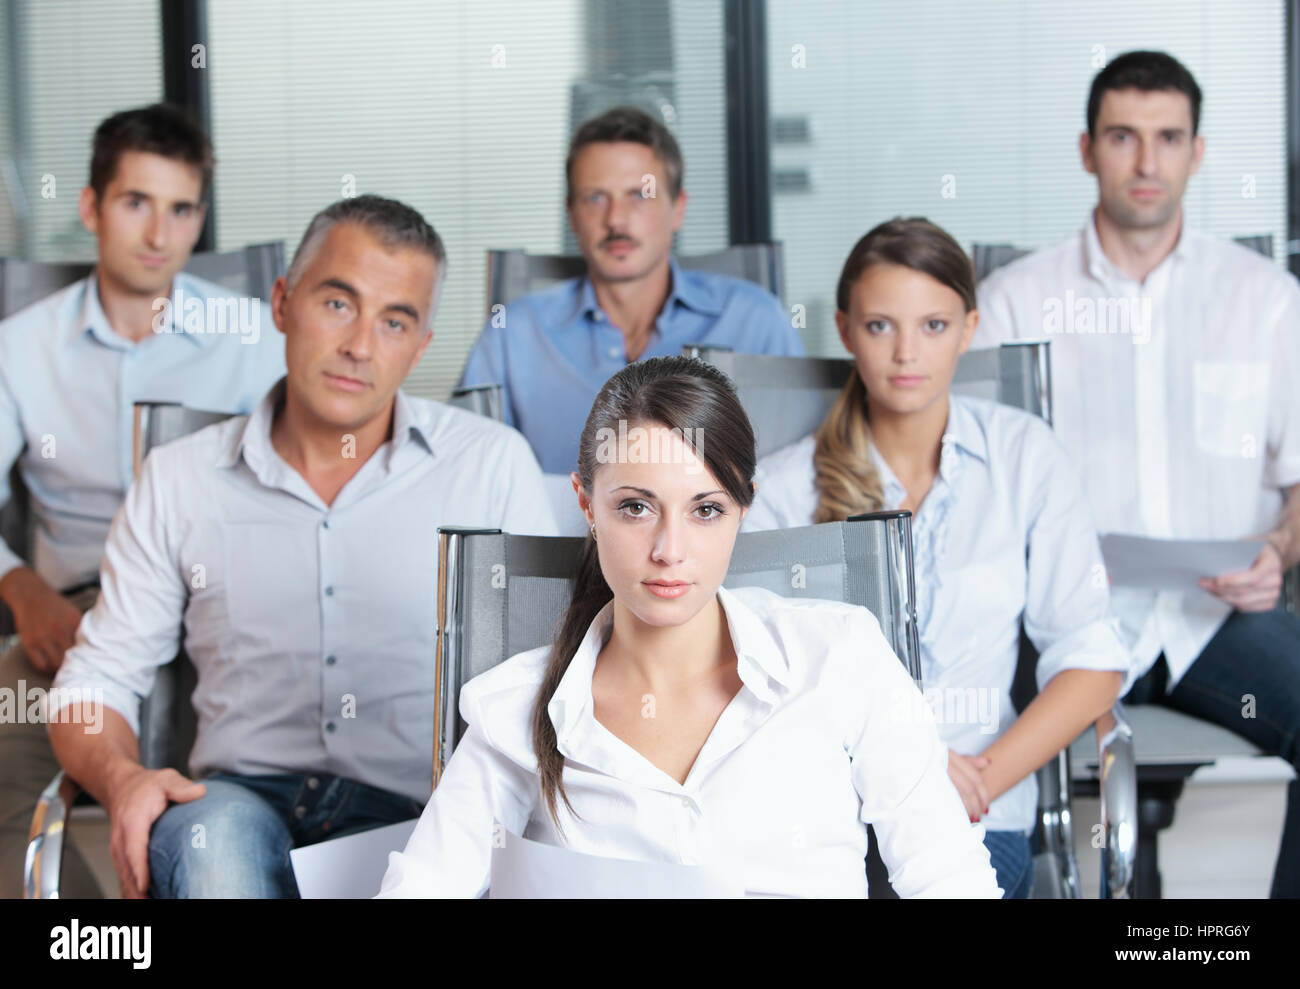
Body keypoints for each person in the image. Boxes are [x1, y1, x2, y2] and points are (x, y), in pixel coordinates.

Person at [47, 194, 557, 899]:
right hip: (235, 803)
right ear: (283, 303)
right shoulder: (178, 477)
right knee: (215, 849)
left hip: (422, 811)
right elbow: (95, 680)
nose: (360, 346)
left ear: (421, 346)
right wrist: (122, 778)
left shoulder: (493, 465)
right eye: (338, 304)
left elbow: (551, 680)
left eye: (395, 321)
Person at [378, 355, 1001, 898]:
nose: (669, 550)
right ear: (586, 502)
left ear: (744, 506)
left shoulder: (839, 655)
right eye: (635, 507)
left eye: (705, 510)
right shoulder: (516, 707)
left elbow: (949, 878)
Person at [974, 50, 1300, 898]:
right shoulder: (1013, 300)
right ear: (1088, 150)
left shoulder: (1267, 299)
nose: (1147, 161)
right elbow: (967, 486)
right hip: (1056, 623)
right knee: (965, 731)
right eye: (1123, 137)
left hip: (1214, 618)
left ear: (1198, 152)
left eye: (1168, 138)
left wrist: (1278, 549)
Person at [744, 218, 1129, 898]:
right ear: (844, 330)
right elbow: (756, 677)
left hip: (977, 811)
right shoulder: (779, 490)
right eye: (880, 326)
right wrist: (908, 770)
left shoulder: (1025, 457)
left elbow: (1091, 660)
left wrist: (978, 779)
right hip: (828, 813)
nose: (906, 353)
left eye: (933, 325)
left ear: (969, 328)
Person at [0, 103, 285, 898]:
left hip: (227, 606)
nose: (160, 233)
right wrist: (20, 588)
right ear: (91, 206)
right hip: (77, 614)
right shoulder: (19, 346)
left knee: (250, 794)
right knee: (6, 757)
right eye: (136, 202)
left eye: (182, 209)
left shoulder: (256, 337)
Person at [457, 105, 805, 476]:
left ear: (678, 209)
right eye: (595, 197)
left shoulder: (756, 321)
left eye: (639, 195)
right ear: (571, 213)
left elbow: (795, 477)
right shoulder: (512, 333)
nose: (616, 220)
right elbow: (469, 473)